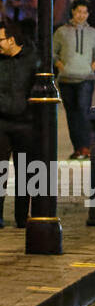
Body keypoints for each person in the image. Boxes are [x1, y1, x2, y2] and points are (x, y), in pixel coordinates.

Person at [52, 0, 95, 161]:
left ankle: (86, 146)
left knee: (83, 110)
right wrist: (61, 66)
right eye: (79, 11)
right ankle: (78, 148)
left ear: (88, 14)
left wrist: (90, 69)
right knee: (72, 114)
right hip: (66, 78)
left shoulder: (93, 33)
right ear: (73, 11)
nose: (81, 15)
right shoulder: (61, 31)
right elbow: (53, 52)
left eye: (84, 12)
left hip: (85, 78)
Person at [0, 22, 36, 227]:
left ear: (12, 40)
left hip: (25, 123)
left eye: (0, 40)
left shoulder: (32, 60)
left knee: (26, 172)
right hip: (2, 123)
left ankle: (22, 217)